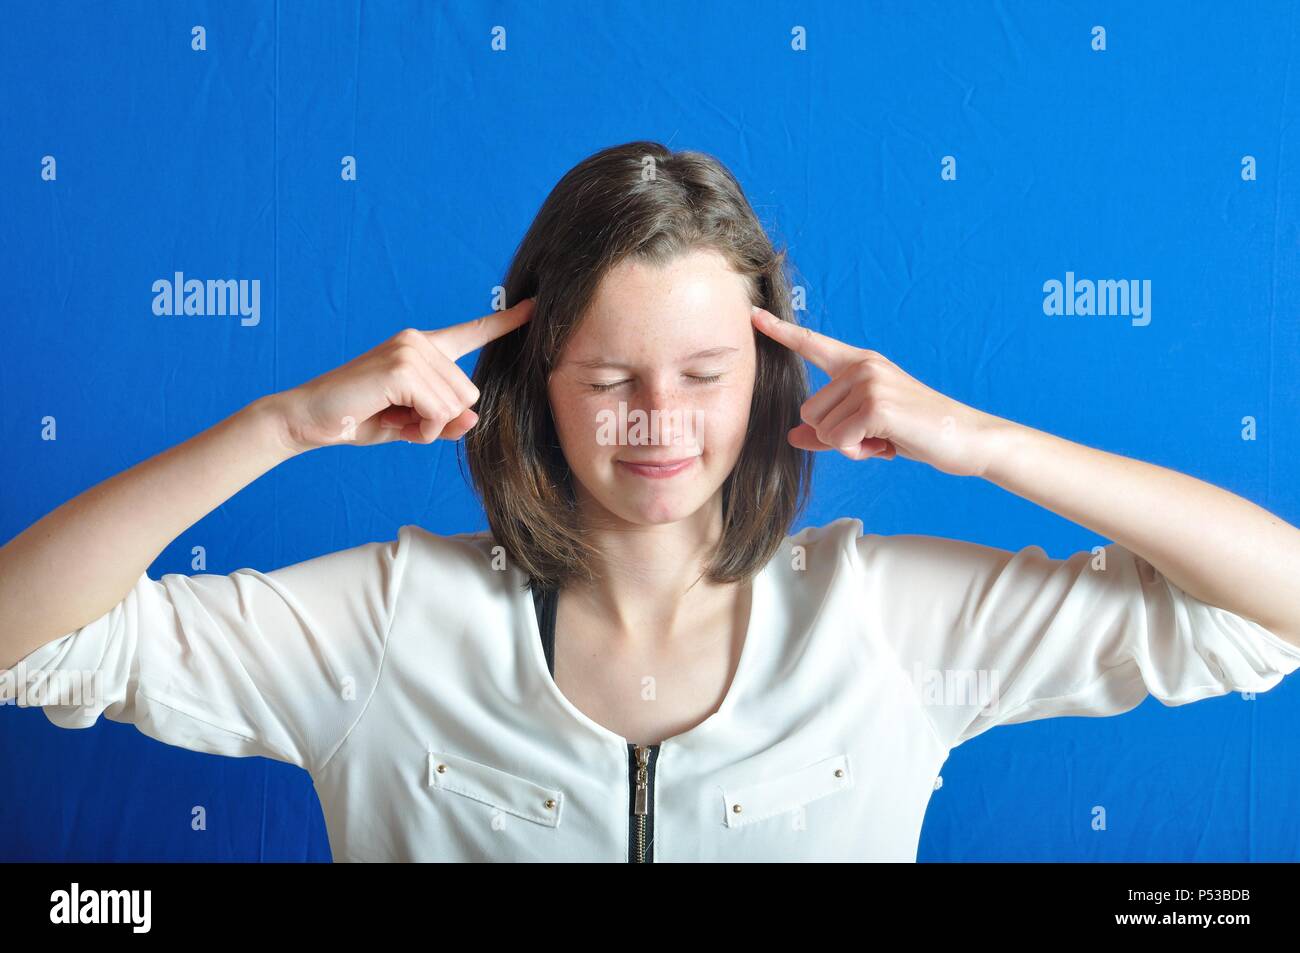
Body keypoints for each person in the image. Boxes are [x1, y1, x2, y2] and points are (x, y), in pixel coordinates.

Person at [2, 140, 1299, 863]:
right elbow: (27, 637)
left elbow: (1276, 608)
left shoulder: (888, 622)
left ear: (770, 373)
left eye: (705, 374)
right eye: (612, 376)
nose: (662, 423)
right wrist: (279, 425)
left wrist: (987, 444)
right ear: (538, 382)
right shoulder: (388, 622)